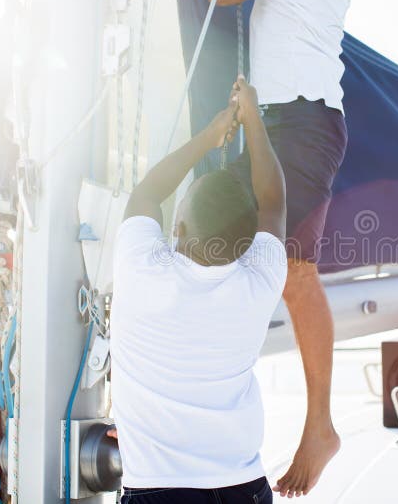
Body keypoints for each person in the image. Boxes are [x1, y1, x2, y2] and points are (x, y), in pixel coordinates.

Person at [207, 0, 357, 497]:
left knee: (294, 273)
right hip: (275, 121)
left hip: (302, 120)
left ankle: (320, 425)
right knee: (207, 243)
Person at [109, 77, 286, 503]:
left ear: (180, 228)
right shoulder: (258, 282)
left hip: (161, 493)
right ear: (247, 245)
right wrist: (254, 123)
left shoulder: (141, 269)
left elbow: (148, 190)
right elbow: (274, 201)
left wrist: (209, 138)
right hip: (243, 487)